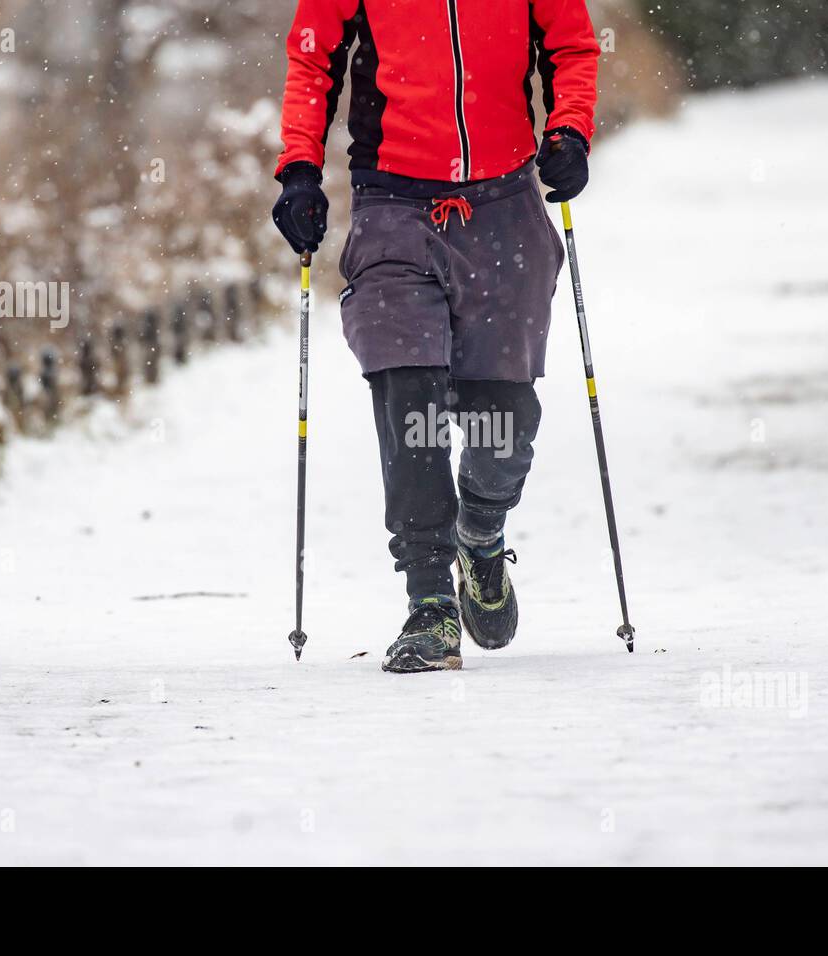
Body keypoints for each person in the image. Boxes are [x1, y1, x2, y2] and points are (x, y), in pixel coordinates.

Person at [272, 0, 600, 673]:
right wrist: (300, 168)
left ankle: (480, 531)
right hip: (394, 205)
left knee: (500, 423)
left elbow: (571, 46)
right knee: (406, 381)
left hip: (504, 205)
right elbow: (312, 59)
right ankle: (429, 600)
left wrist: (569, 130)